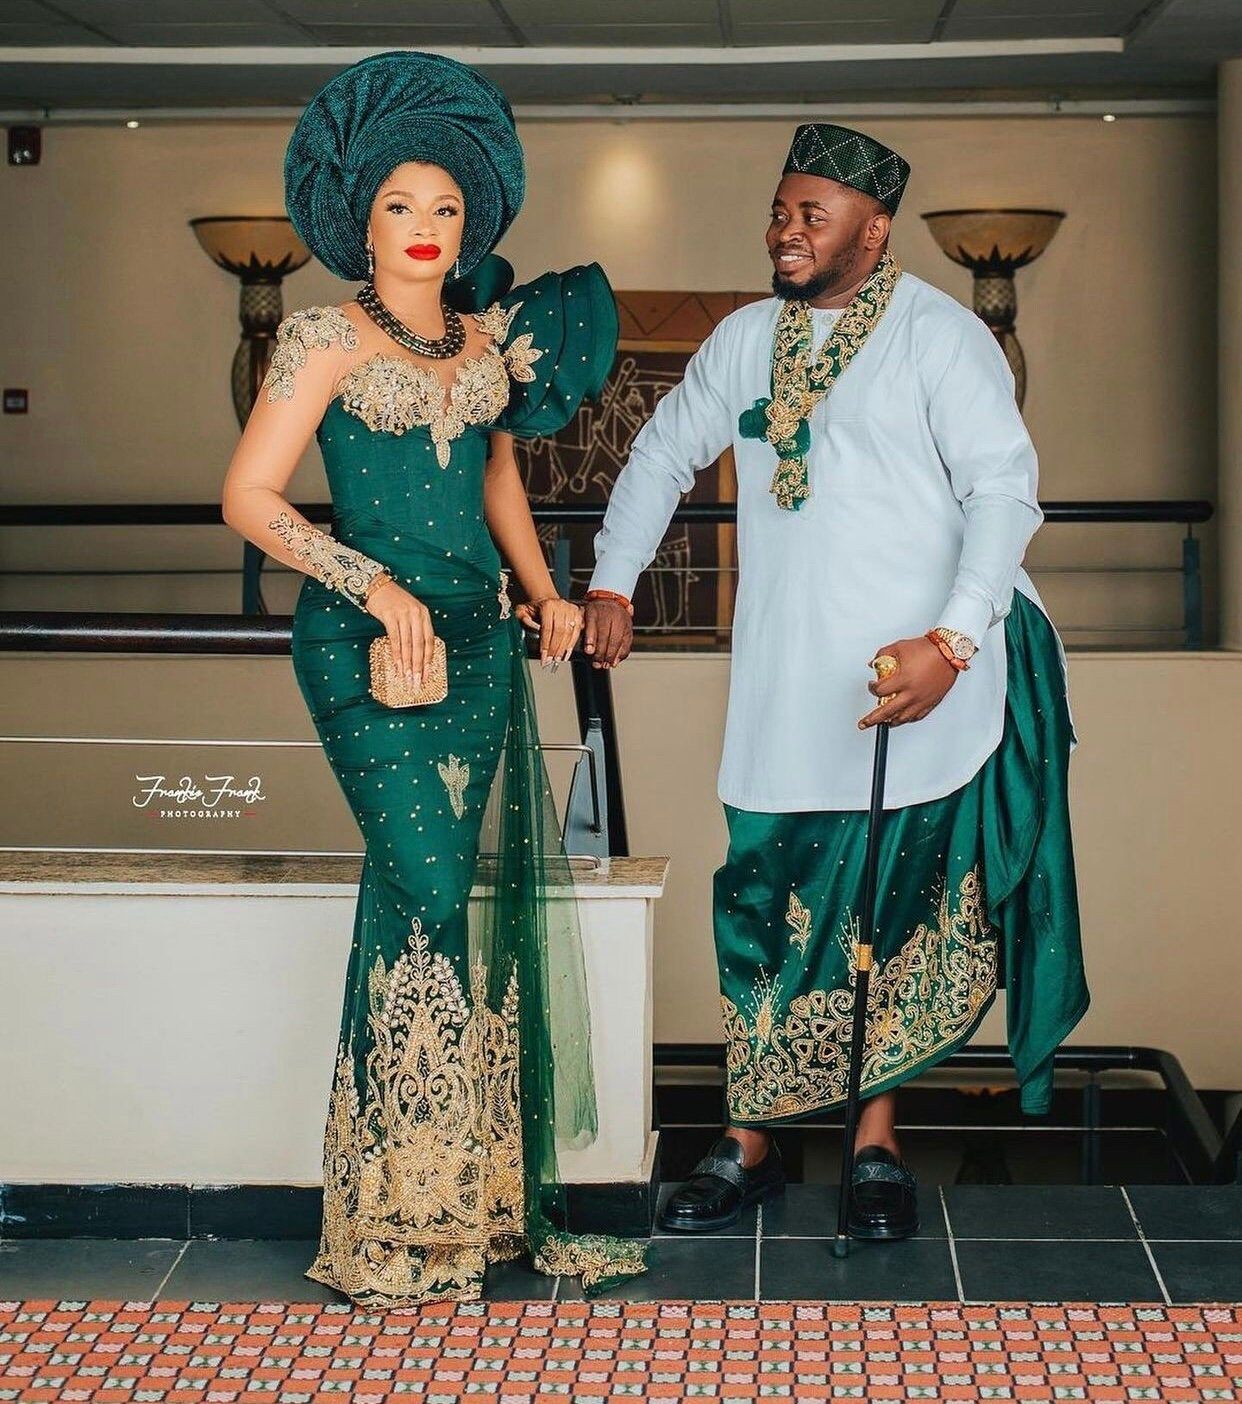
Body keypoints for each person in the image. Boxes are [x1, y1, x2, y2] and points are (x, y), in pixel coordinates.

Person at [582, 122, 1089, 1240]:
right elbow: (662, 453)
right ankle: (752, 1141)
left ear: (875, 228)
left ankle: (874, 1146)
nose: (786, 230)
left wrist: (954, 642)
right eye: (780, 211)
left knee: (888, 916)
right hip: (784, 680)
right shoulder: (744, 338)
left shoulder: (940, 336)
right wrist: (613, 581)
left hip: (921, 678)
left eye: (812, 214)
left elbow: (1005, 491)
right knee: (762, 901)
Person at [221, 49, 646, 1307]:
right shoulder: (321, 337)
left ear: (470, 227)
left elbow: (497, 478)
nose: (424, 227)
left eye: (446, 208)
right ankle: (404, 1216)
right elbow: (248, 497)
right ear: (361, 221)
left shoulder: (482, 343)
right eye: (401, 206)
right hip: (366, 643)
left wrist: (547, 592)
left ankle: (448, 1199)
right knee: (426, 881)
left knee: (439, 899)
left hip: (477, 642)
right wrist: (375, 587)